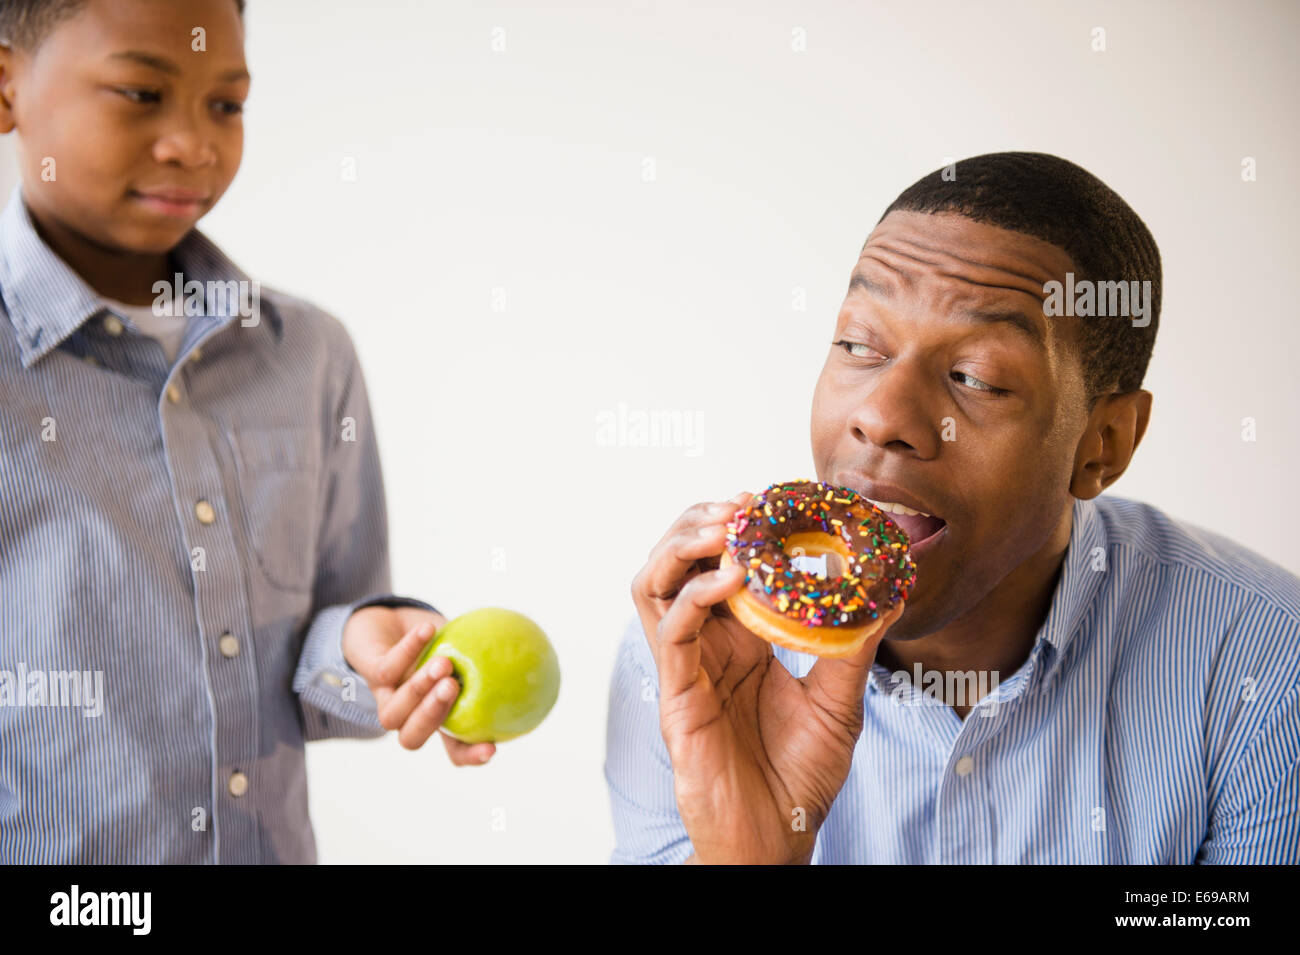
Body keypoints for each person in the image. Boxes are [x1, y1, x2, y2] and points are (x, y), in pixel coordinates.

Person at [608, 151, 1300, 864]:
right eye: (856, 343)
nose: (882, 416)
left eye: (976, 376)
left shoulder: (1267, 669)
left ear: (1102, 443)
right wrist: (747, 856)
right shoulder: (695, 642)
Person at [0, 0, 489, 864]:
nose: (193, 143)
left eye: (226, 104)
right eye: (140, 92)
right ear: (8, 87)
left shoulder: (309, 355)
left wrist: (375, 651)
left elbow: (318, 672)